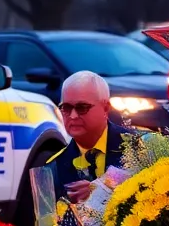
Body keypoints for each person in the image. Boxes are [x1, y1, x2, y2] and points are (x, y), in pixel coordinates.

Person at [47, 70, 133, 204]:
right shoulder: (53, 167)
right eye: (66, 108)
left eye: (82, 107)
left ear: (105, 108)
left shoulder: (138, 146)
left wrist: (100, 191)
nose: (73, 116)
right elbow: (46, 221)